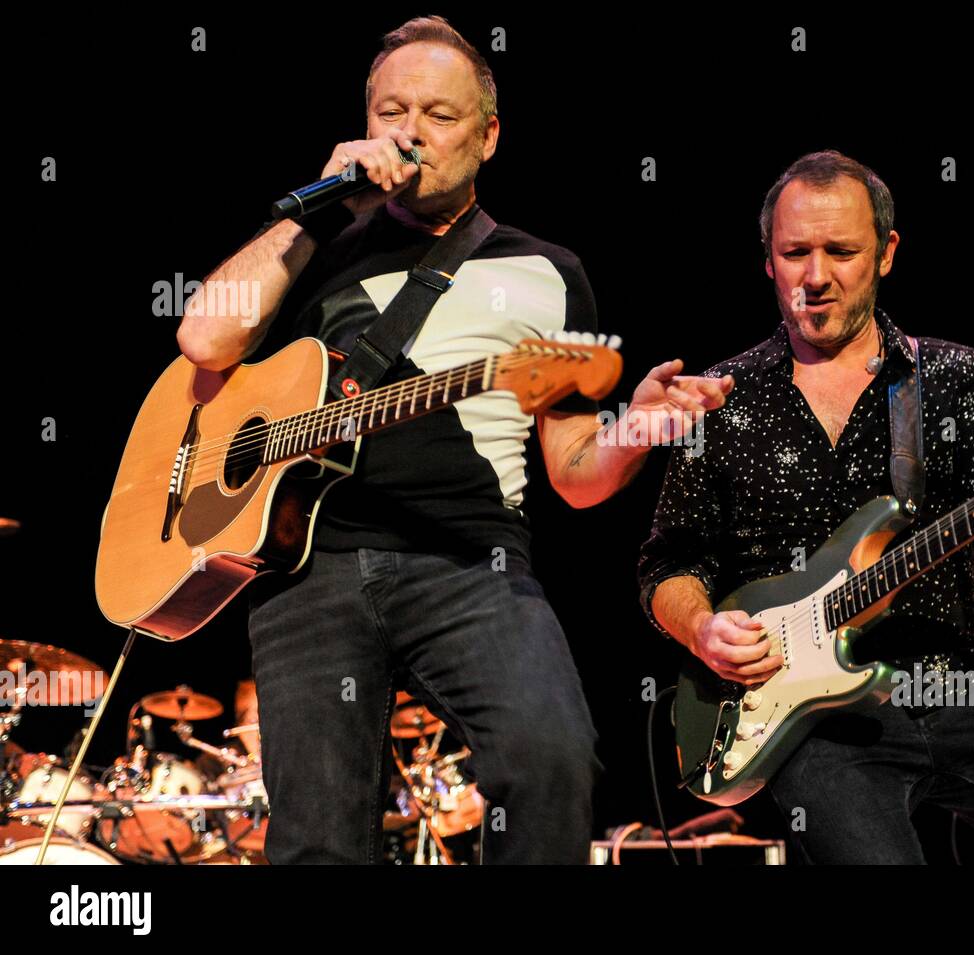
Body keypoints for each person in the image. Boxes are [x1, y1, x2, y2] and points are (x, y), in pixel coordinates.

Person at [176, 16, 730, 863]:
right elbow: (203, 341)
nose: (409, 131)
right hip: (309, 567)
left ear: (489, 135)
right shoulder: (314, 253)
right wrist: (315, 214)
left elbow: (575, 476)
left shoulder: (547, 271)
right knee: (316, 842)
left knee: (553, 765)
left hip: (473, 563)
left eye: (438, 113)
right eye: (390, 110)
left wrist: (638, 429)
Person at [638, 150, 974, 864]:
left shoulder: (957, 377)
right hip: (814, 724)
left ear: (887, 253)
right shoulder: (722, 396)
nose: (816, 275)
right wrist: (703, 627)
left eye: (841, 251)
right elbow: (668, 563)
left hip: (961, 679)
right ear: (767, 261)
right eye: (795, 251)